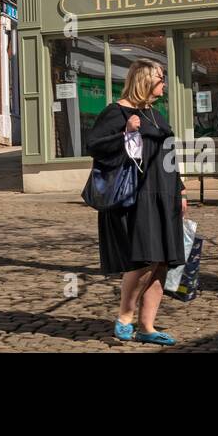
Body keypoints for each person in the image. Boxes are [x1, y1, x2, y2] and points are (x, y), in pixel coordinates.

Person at [85, 59, 186, 345]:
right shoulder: (116, 111)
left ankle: (147, 327)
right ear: (144, 80)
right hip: (136, 197)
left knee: (162, 262)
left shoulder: (157, 114)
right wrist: (125, 132)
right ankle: (125, 315)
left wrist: (181, 190)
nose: (164, 83)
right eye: (160, 78)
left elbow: (169, 155)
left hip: (164, 195)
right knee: (144, 259)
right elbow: (95, 146)